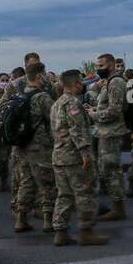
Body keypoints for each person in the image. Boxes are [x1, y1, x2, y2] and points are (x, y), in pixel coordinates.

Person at [49, 70, 109, 247]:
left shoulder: (56, 104)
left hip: (59, 157)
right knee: (85, 193)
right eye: (81, 82)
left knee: (64, 195)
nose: (82, 85)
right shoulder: (73, 103)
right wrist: (85, 153)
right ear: (75, 84)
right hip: (74, 157)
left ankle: (60, 232)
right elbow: (77, 130)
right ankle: (86, 231)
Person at [11, 63, 57, 233]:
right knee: (47, 183)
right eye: (44, 74)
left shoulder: (19, 94)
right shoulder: (42, 97)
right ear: (39, 76)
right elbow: (55, 117)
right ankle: (48, 220)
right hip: (40, 147)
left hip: (21, 146)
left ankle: (21, 219)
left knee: (26, 182)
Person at [90, 53, 130, 221]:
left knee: (111, 170)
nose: (98, 69)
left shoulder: (116, 83)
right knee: (106, 169)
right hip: (105, 131)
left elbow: (114, 111)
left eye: (101, 66)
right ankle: (114, 206)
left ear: (111, 65)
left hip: (111, 132)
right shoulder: (109, 82)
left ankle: (118, 208)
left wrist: (93, 114)